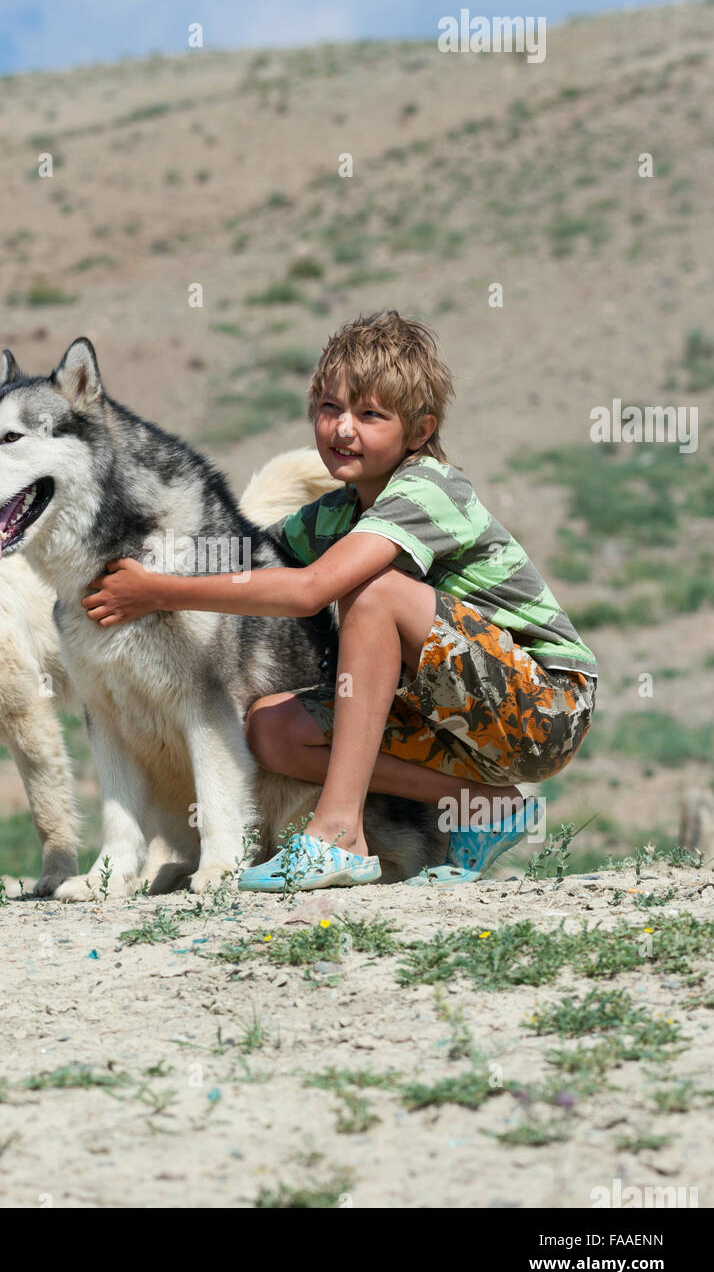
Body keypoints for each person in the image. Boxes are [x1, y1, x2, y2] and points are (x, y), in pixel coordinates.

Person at [81, 311, 598, 891]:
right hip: (446, 714)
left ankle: (338, 834)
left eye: (370, 414)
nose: (343, 429)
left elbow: (309, 589)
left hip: (544, 707)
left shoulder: (429, 490)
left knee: (373, 594)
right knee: (268, 729)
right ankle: (486, 805)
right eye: (331, 409)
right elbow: (244, 559)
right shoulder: (336, 512)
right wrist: (134, 557)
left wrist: (156, 592)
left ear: (421, 430)